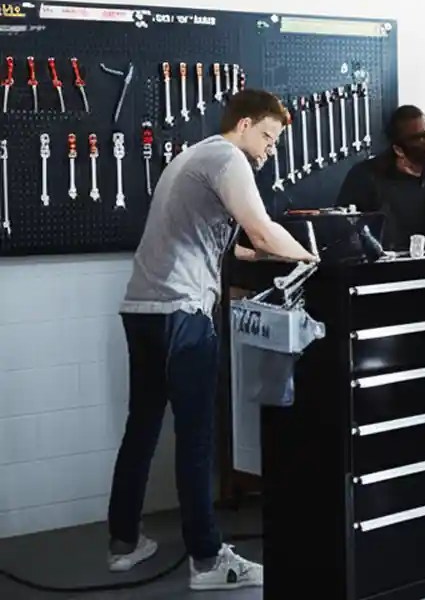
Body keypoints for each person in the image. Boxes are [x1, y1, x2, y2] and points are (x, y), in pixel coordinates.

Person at [107, 89, 319, 591]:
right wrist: (316, 262)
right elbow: (263, 232)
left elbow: (220, 241)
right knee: (198, 438)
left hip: (142, 310)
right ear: (243, 125)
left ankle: (123, 544)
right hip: (183, 314)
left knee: (142, 427)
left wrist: (250, 254)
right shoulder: (228, 157)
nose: (270, 149)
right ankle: (207, 561)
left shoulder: (191, 156)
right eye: (267, 136)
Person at [336, 104, 425, 251]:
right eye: (419, 138)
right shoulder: (366, 176)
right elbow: (345, 226)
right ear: (398, 149)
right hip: (384, 266)